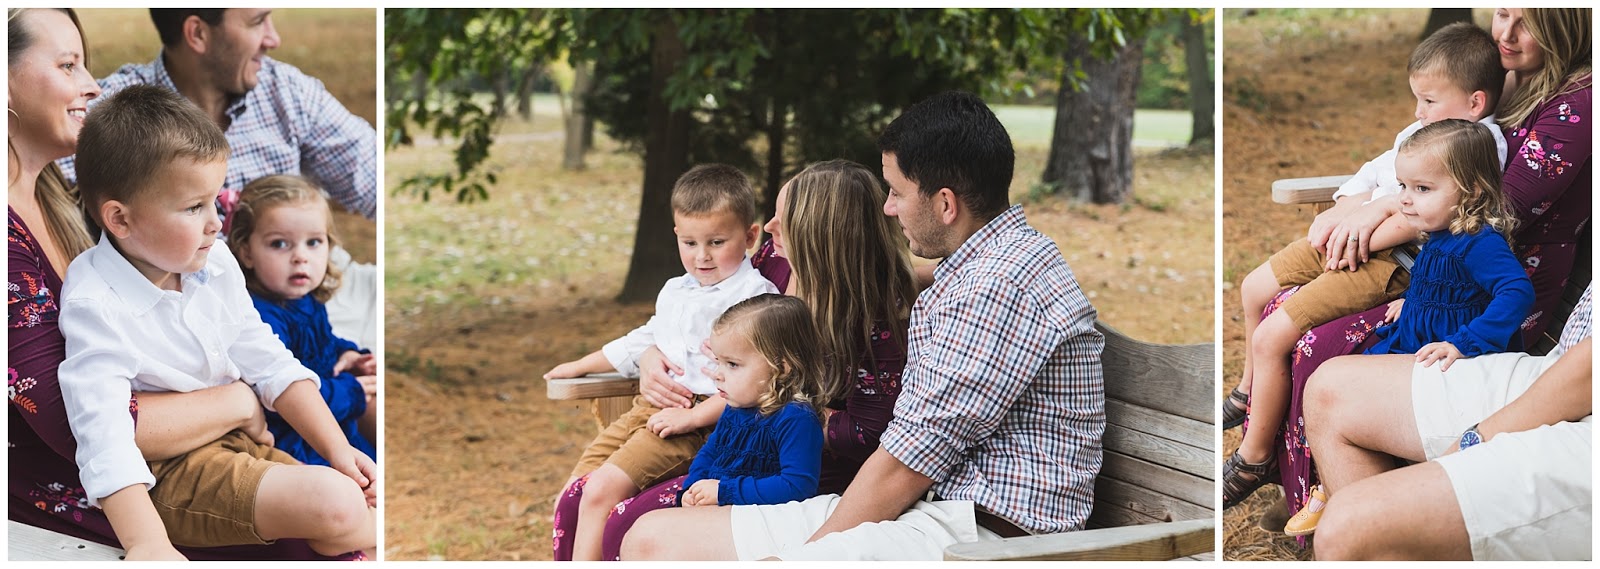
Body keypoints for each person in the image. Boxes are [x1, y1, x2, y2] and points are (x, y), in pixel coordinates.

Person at [621, 91, 1106, 561]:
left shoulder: (997, 287)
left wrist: (807, 556)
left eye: (896, 192)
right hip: (934, 509)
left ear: (945, 204)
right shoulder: (994, 260)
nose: (889, 208)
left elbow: (906, 464)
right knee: (650, 541)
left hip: (987, 532)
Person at [6, 8, 348, 560]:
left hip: (214, 444)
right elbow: (84, 424)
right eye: (68, 65)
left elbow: (253, 344)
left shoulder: (65, 204)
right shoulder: (21, 248)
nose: (92, 85)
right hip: (114, 490)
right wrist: (238, 399)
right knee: (330, 518)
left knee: (352, 523)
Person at [1253, 7, 1591, 531]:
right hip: (1432, 274)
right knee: (1285, 308)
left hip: (1477, 293)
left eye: (1527, 24)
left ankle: (1363, 520)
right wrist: (1363, 202)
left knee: (1321, 346)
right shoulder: (1502, 79)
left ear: (1566, 26)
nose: (1504, 34)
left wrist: (1376, 217)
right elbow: (1422, 168)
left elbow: (1498, 209)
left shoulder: (1578, 103)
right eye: (1502, 13)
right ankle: (1309, 488)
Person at [57, 85, 375, 560]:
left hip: (239, 442)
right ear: (120, 220)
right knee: (338, 505)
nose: (215, 223)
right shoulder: (94, 301)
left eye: (214, 203)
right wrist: (148, 544)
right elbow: (103, 432)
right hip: (167, 471)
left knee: (366, 504)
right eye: (193, 207)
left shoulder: (212, 261)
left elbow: (267, 360)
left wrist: (337, 448)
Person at [1227, 119, 1535, 518]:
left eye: (1421, 189)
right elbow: (1449, 283)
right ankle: (1325, 482)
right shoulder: (1440, 229)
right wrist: (1414, 300)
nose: (1404, 200)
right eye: (1403, 186)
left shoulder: (1478, 242)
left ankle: (1337, 493)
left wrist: (1465, 341)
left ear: (1472, 191)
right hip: (1413, 337)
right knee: (1335, 382)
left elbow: (1516, 293)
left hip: (1448, 358)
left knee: (1345, 389)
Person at [1223, 22, 1508, 430]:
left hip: (1387, 260)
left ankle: (1254, 451)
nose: (1417, 111)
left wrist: (1363, 230)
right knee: (1252, 287)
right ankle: (1247, 388)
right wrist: (1343, 210)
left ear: (1474, 103)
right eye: (1416, 99)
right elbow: (1370, 174)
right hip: (1350, 237)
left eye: (1428, 100)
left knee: (1274, 333)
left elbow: (1431, 220)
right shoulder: (1417, 131)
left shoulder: (1481, 145)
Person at [55, 8, 379, 348]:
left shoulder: (286, 92)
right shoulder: (113, 117)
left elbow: (373, 179)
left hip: (309, 292)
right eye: (257, 22)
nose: (273, 39)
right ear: (198, 34)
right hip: (190, 321)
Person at [544, 164, 778, 561]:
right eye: (689, 243)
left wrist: (691, 418)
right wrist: (581, 365)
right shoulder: (676, 290)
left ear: (751, 236)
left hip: (698, 424)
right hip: (647, 410)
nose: (701, 256)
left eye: (717, 242)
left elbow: (758, 382)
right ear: (676, 236)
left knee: (599, 491)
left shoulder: (754, 300)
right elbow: (646, 338)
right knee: (573, 491)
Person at [1303, 284, 1590, 560]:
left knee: (1350, 528)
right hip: (1561, 365)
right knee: (1331, 393)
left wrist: (1478, 437)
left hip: (1586, 396)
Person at [554, 294, 826, 560]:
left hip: (751, 521)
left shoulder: (795, 418)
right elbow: (709, 452)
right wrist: (692, 488)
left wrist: (723, 491)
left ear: (782, 368)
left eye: (732, 365)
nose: (718, 374)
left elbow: (797, 485)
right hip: (714, 507)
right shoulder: (736, 407)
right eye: (718, 362)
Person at [226, 174, 377, 465]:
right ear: (246, 252)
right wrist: (351, 391)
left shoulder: (306, 299)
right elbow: (281, 400)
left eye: (314, 242)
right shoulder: (258, 316)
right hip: (297, 440)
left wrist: (348, 354)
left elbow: (324, 342)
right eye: (280, 244)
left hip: (336, 425)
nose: (300, 257)